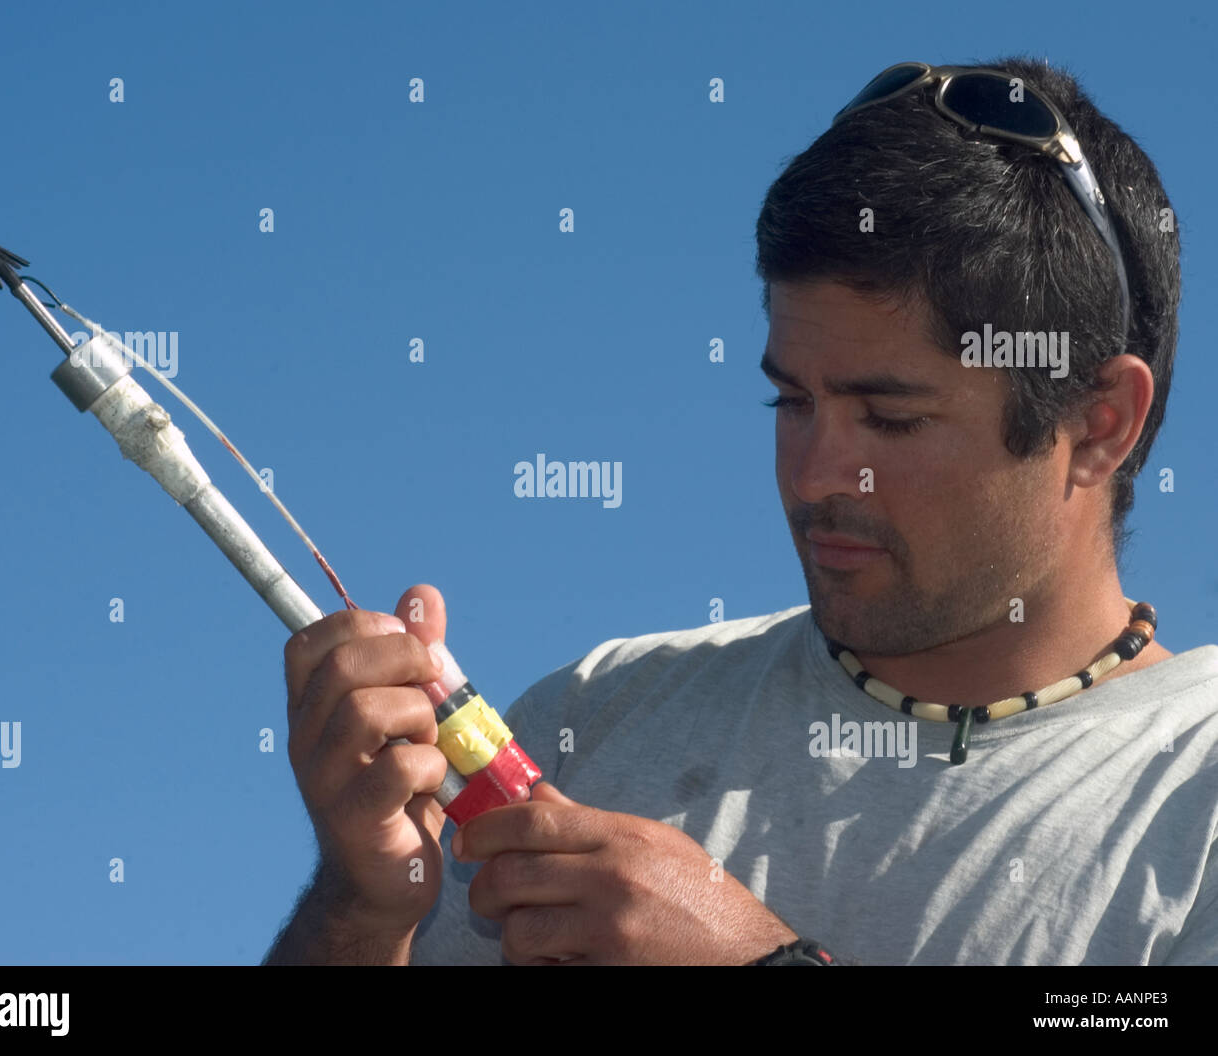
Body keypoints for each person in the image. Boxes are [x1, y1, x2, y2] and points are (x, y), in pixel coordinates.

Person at [263, 56, 1218, 966]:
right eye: (792, 402)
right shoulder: (597, 717)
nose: (812, 476)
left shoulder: (1194, 795)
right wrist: (365, 910)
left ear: (1098, 424)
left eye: (890, 418)